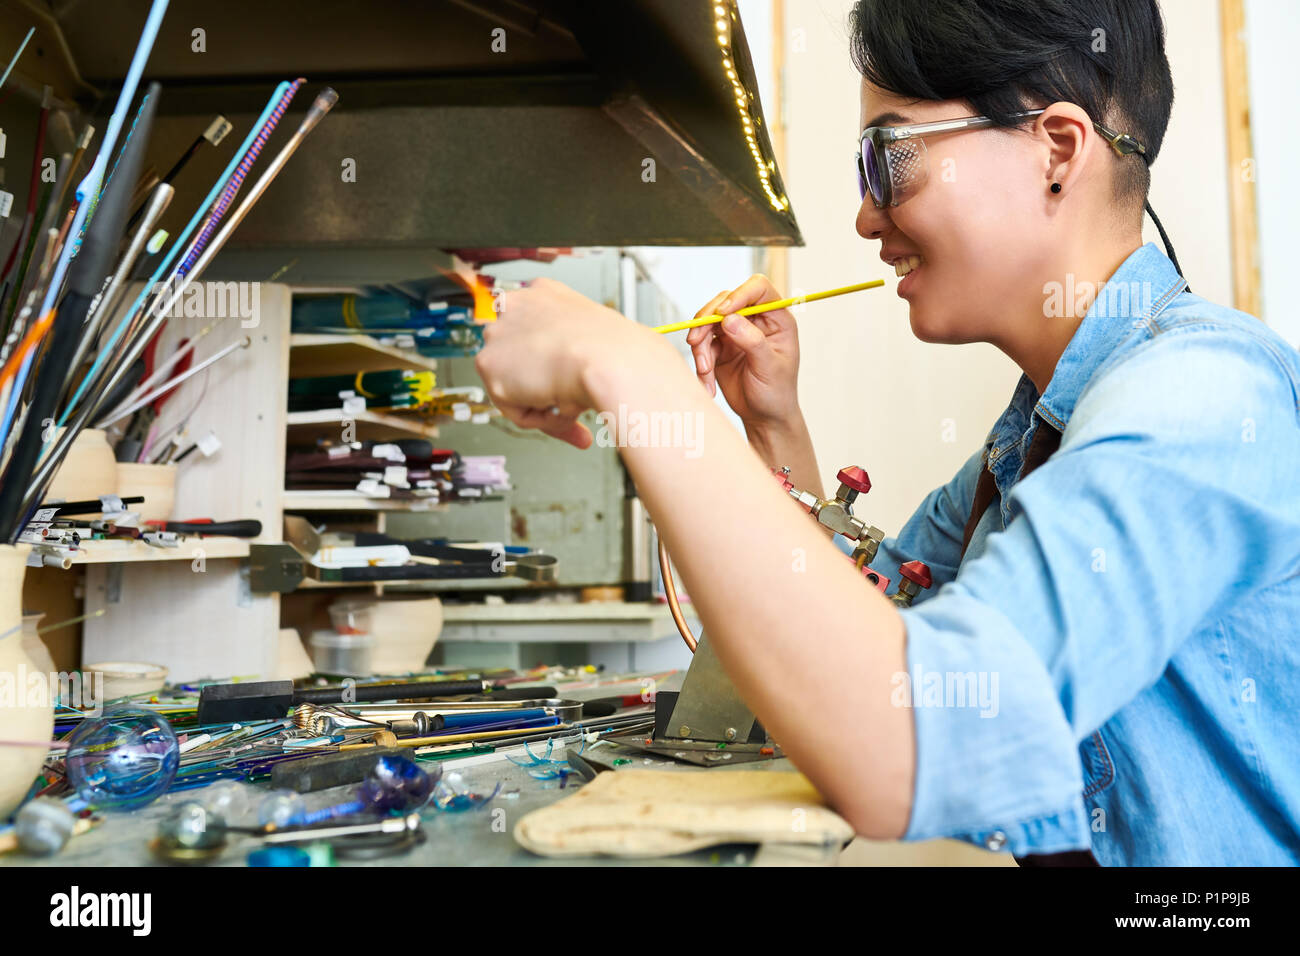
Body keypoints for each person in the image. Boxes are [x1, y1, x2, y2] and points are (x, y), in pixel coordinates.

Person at [474, 0, 1300, 865]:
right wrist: (775, 435)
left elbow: (917, 735)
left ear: (1057, 151)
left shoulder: (1201, 399)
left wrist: (627, 372)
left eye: (889, 159)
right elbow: (868, 636)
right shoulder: (1028, 439)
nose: (867, 218)